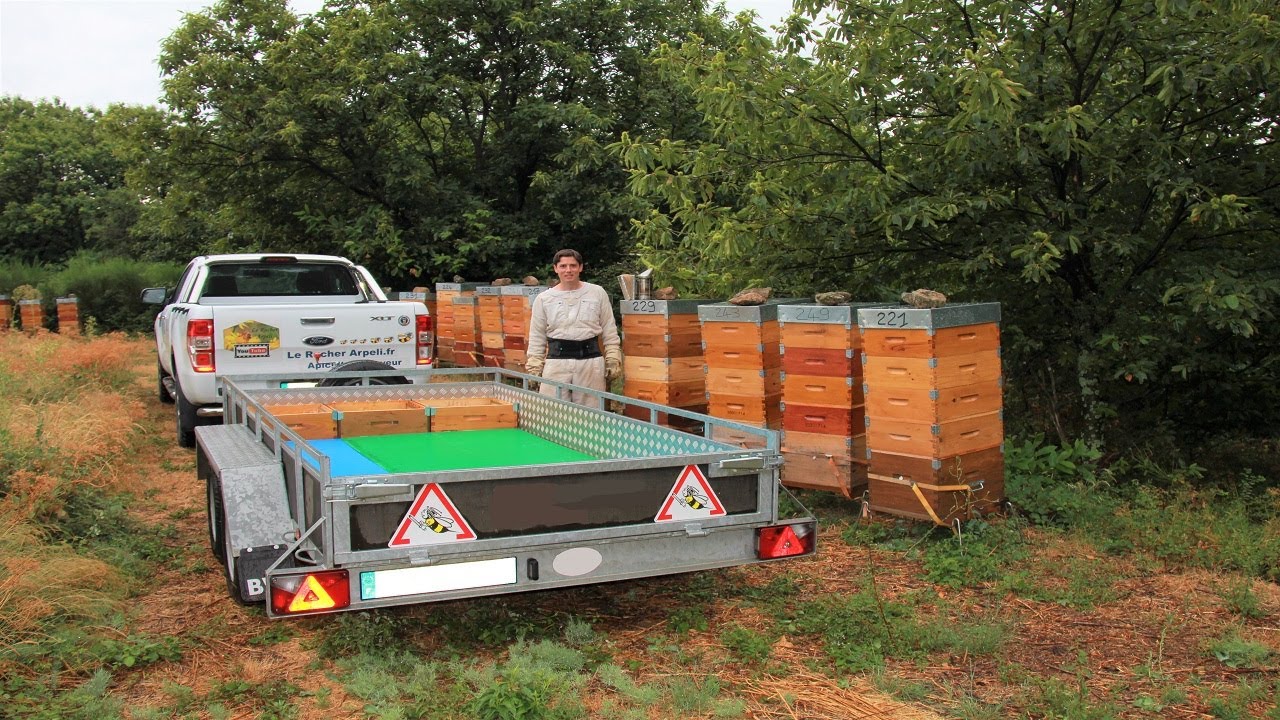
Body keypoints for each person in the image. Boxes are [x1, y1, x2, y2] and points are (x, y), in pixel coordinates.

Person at [524, 249, 622, 406]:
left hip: (590, 363)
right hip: (556, 363)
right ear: (556, 268)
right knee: (553, 412)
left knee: (591, 414)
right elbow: (537, 335)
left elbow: (609, 330)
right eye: (563, 266)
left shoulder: (597, 293)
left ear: (580, 267)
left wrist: (613, 358)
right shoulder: (544, 299)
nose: (568, 270)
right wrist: (534, 366)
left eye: (573, 265)